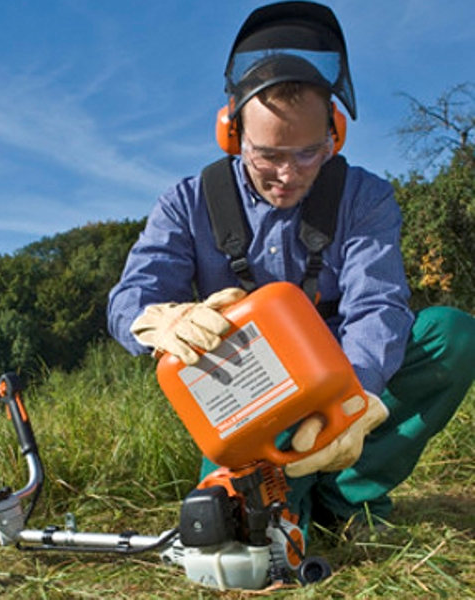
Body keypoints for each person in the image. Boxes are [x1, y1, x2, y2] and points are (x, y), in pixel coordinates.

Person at [107, 0, 475, 537]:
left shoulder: (366, 197)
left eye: (308, 154)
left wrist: (351, 402)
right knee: (246, 536)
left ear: (335, 135)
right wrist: (157, 320)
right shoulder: (186, 203)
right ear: (233, 136)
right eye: (266, 156)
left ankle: (351, 497)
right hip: (248, 400)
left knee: (453, 335)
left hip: (342, 379)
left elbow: (378, 304)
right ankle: (292, 502)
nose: (287, 174)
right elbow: (130, 296)